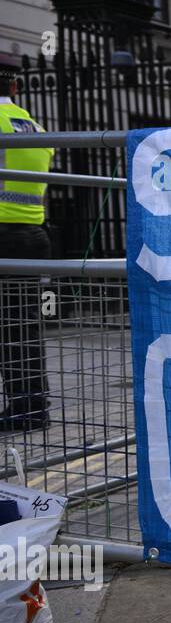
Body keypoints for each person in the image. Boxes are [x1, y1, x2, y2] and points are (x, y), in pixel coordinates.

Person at [0, 56, 54, 433]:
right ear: (15, 87)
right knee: (22, 327)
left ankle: (25, 408)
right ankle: (30, 406)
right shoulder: (30, 122)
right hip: (33, 235)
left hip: (3, 233)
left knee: (10, 328)